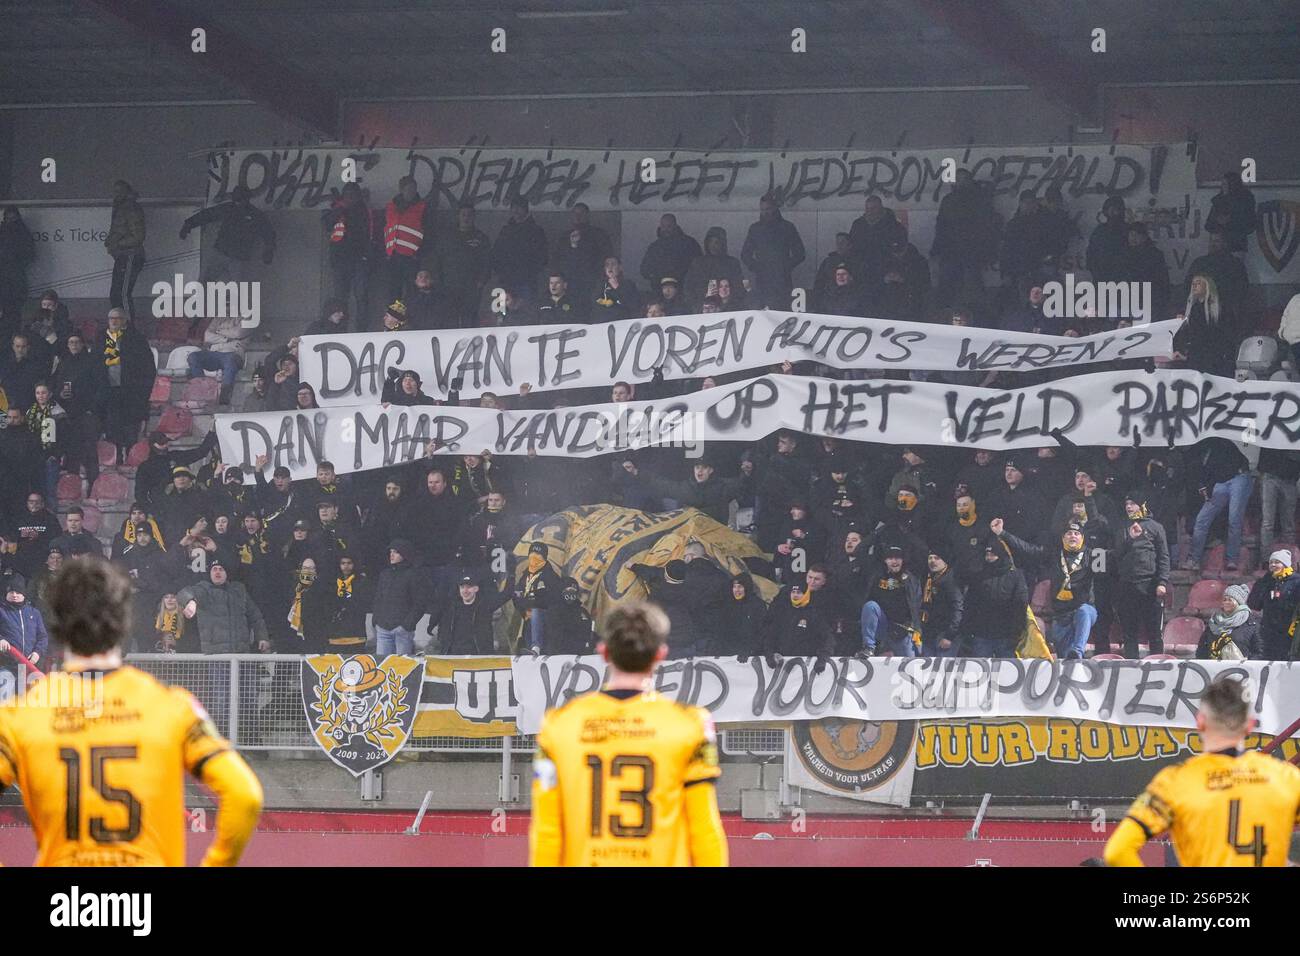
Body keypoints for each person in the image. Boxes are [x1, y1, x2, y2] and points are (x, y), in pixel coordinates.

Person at [0, 557, 263, 866]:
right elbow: (245, 795)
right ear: (125, 622)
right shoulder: (171, 706)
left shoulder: (22, 715)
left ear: (57, 624)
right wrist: (216, 862)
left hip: (67, 908)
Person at [528, 601, 727, 867]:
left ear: (604, 652)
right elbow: (704, 830)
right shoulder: (689, 725)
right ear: (660, 654)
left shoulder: (558, 726)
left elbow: (547, 833)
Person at [1104, 677, 1300, 867]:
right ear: (1249, 725)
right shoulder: (1286, 777)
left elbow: (1117, 851)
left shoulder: (1175, 782)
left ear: (1200, 721)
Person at [995, 519, 1096, 660]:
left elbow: (1112, 561)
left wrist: (1133, 540)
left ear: (1082, 537)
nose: (1072, 536)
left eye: (1076, 533)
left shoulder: (1093, 556)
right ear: (1063, 538)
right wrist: (1002, 533)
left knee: (1084, 611)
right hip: (1061, 616)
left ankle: (1079, 649)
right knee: (1067, 660)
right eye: (1068, 533)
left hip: (1083, 610)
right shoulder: (1053, 555)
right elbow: (1028, 550)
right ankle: (1075, 656)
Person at [1182, 438, 1253, 571]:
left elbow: (1238, 462)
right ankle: (1194, 559)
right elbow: (1201, 473)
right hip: (1220, 483)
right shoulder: (1196, 452)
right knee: (1201, 520)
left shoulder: (1219, 442)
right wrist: (1204, 485)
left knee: (1234, 519)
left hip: (1238, 476)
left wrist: (1207, 485)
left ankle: (1232, 559)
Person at [178, 559, 270, 655]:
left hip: (241, 653)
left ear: (226, 573)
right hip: (216, 655)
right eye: (214, 569)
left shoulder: (239, 590)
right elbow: (184, 593)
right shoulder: (203, 589)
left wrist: (262, 637)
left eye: (221, 569)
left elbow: (256, 617)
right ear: (210, 573)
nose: (217, 572)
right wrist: (191, 602)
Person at [101, 308, 157, 464]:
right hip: (110, 393)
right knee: (112, 430)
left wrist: (142, 392)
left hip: (132, 395)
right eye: (111, 318)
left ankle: (131, 460)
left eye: (117, 318)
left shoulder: (137, 339)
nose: (113, 321)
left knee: (131, 430)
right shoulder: (103, 338)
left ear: (125, 320)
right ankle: (117, 459)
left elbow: (148, 369)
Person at [962, 536, 1029, 658]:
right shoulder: (979, 576)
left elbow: (1021, 604)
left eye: (993, 555)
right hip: (981, 634)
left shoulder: (1016, 576)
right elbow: (970, 603)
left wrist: (1017, 631)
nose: (989, 558)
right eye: (987, 555)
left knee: (1007, 672)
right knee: (980, 672)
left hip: (1007, 635)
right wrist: (968, 629)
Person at [321, 183, 374, 322]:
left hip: (359, 261)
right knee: (340, 298)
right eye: (347, 195)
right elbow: (326, 224)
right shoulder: (336, 209)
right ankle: (341, 329)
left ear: (358, 196)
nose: (350, 198)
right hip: (340, 261)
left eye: (353, 195)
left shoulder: (364, 211)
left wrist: (367, 257)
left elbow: (369, 234)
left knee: (361, 296)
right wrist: (341, 208)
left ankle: (361, 330)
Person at [740, 195, 806, 309]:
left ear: (775, 208)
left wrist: (785, 267)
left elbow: (800, 253)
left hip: (782, 281)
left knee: (783, 310)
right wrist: (757, 267)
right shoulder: (755, 229)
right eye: (763, 209)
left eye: (768, 209)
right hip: (762, 280)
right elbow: (745, 254)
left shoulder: (787, 227)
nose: (766, 212)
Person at [859, 546, 922, 658]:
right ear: (885, 560)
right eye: (890, 558)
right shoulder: (877, 577)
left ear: (903, 560)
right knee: (870, 606)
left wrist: (915, 628)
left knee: (909, 665)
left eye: (898, 558)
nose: (894, 561)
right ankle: (869, 647)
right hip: (883, 626)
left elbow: (916, 606)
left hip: (902, 629)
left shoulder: (910, 579)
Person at [426, 574, 509, 655]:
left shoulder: (485, 606)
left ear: (476, 589)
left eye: (469, 587)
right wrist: (432, 625)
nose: (465, 591)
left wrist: (511, 574)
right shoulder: (451, 608)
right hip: (454, 657)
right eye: (462, 587)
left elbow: (507, 594)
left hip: (478, 657)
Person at [371, 539, 423, 656]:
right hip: (383, 628)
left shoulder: (414, 575)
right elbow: (378, 598)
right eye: (391, 551)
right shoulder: (385, 574)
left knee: (401, 668)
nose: (392, 555)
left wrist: (406, 625)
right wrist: (376, 621)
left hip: (402, 631)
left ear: (405, 554)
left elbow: (419, 604)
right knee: (382, 667)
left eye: (396, 552)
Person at [187, 315, 253, 406]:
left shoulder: (247, 318)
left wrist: (218, 331)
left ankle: (224, 400)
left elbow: (238, 333)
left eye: (230, 304)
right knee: (193, 357)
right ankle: (202, 390)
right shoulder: (218, 318)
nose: (228, 307)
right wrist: (226, 338)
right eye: (226, 304)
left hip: (233, 353)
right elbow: (206, 335)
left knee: (230, 362)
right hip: (215, 353)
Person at [1247, 550, 1300, 661]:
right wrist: (1262, 582)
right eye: (1271, 562)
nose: (1273, 565)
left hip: (1289, 633)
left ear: (1285, 564)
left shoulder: (1296, 582)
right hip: (1269, 633)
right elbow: (1254, 604)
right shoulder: (1267, 582)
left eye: (1277, 562)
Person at [105, 181, 146, 323]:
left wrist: (116, 243)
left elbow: (138, 237)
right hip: (123, 256)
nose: (116, 195)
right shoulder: (120, 208)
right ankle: (119, 325)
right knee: (116, 294)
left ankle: (128, 327)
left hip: (130, 254)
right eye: (115, 191)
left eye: (119, 191)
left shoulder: (131, 209)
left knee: (122, 294)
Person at [491, 197, 548, 300]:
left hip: (526, 281)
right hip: (506, 279)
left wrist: (529, 273)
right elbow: (496, 253)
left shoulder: (536, 231)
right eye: (513, 208)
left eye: (519, 208)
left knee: (526, 310)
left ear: (526, 210)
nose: (516, 211)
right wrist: (500, 271)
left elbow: (542, 257)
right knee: (503, 311)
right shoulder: (506, 230)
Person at [919, 547, 963, 657]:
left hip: (945, 633)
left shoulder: (951, 579)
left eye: (937, 558)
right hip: (930, 633)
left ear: (945, 561)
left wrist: (950, 636)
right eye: (930, 558)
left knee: (943, 671)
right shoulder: (929, 579)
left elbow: (957, 608)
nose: (932, 561)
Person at [1196, 585, 1260, 660]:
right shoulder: (1214, 621)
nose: (1226, 602)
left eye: (1230, 600)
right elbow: (1202, 648)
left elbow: (1259, 651)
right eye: (1224, 600)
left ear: (1238, 602)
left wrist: (1248, 662)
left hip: (1240, 668)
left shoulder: (1250, 623)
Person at [0, 574, 47, 672]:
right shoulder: (1, 611)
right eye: (11, 591)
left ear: (24, 594)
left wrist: (37, 652)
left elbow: (42, 637)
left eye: (18, 592)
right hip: (6, 665)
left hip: (30, 666)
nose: (14, 595)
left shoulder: (34, 613)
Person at [0, 207, 36, 335]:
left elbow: (30, 254)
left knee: (15, 312)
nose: (11, 221)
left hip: (16, 279)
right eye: (8, 218)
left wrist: (15, 260)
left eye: (13, 218)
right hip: (4, 278)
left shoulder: (23, 233)